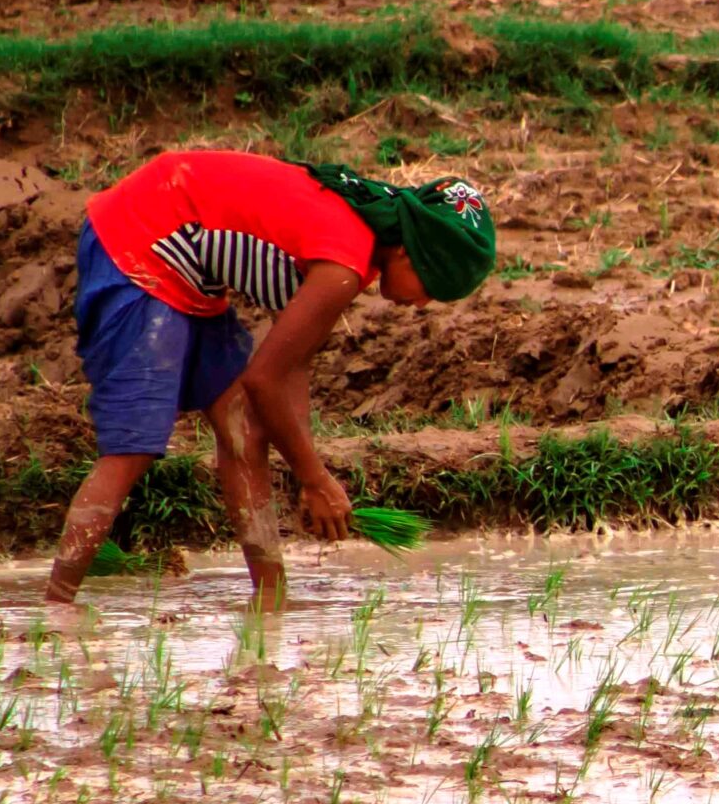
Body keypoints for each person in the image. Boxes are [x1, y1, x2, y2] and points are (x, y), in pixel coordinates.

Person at [44, 150, 497, 608]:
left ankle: (271, 601)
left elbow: (290, 367)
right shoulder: (345, 261)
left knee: (244, 428)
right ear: (406, 251)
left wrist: (309, 472)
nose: (423, 304)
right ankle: (56, 610)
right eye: (431, 288)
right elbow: (265, 379)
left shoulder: (358, 249)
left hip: (188, 268)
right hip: (139, 240)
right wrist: (315, 478)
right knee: (134, 447)